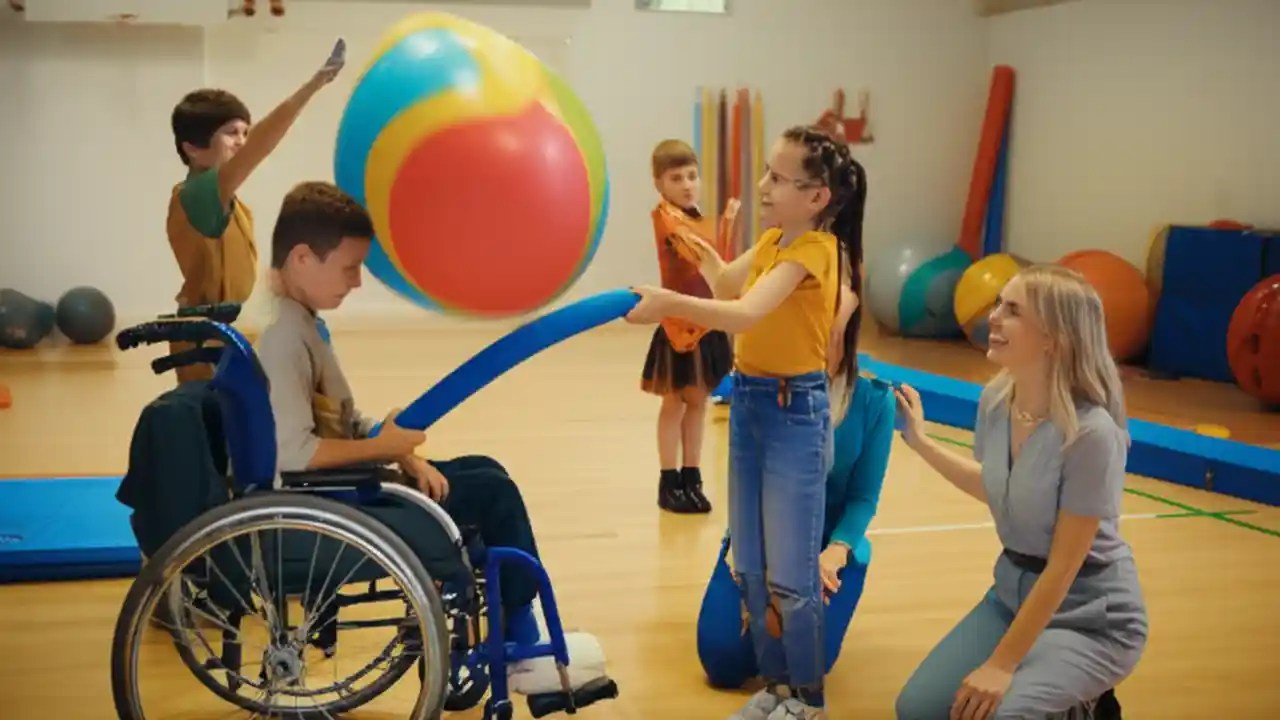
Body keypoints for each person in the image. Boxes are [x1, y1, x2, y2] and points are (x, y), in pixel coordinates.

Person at [626, 125, 868, 720]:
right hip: (751, 404)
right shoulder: (774, 240)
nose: (763, 185)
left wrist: (668, 304)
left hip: (794, 415)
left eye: (778, 178)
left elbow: (742, 313)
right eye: (767, 171)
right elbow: (726, 283)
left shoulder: (817, 250)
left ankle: (807, 698)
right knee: (751, 567)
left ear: (816, 197)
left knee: (792, 574)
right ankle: (777, 686)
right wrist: (699, 251)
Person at [252, 180, 545, 644]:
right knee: (493, 494)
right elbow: (293, 453)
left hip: (336, 488)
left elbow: (340, 419)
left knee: (486, 470)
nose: (357, 281)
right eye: (349, 268)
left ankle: (501, 608)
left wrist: (399, 450)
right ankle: (519, 629)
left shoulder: (297, 322)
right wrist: (383, 448)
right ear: (303, 258)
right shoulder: (283, 339)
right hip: (323, 503)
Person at [893, 265, 1146, 720]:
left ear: (1053, 337)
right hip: (1012, 596)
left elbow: (1064, 567)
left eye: (1013, 310)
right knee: (917, 711)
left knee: (1004, 714)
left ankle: (1084, 705)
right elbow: (1000, 490)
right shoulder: (996, 403)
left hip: (1089, 615)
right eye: (999, 304)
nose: (993, 316)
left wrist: (1001, 664)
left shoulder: (1092, 435)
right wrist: (921, 442)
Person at [695, 368, 895, 689]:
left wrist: (836, 552)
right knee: (723, 660)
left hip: (829, 546)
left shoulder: (875, 399)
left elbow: (863, 498)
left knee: (800, 664)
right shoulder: (760, 386)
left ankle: (845, 567)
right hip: (761, 537)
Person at [166, 39, 345, 383]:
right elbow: (261, 146)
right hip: (207, 342)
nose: (242, 141)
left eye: (245, 132)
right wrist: (313, 85)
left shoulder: (231, 204)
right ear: (193, 149)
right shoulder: (196, 196)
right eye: (231, 133)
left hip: (230, 332)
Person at [641, 139, 736, 514]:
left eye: (692, 176)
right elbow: (700, 257)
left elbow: (715, 263)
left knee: (698, 401)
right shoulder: (666, 218)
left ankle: (692, 476)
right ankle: (668, 480)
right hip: (678, 327)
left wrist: (726, 224)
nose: (687, 184)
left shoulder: (696, 217)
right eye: (676, 178)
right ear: (660, 183)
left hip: (705, 322)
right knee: (674, 403)